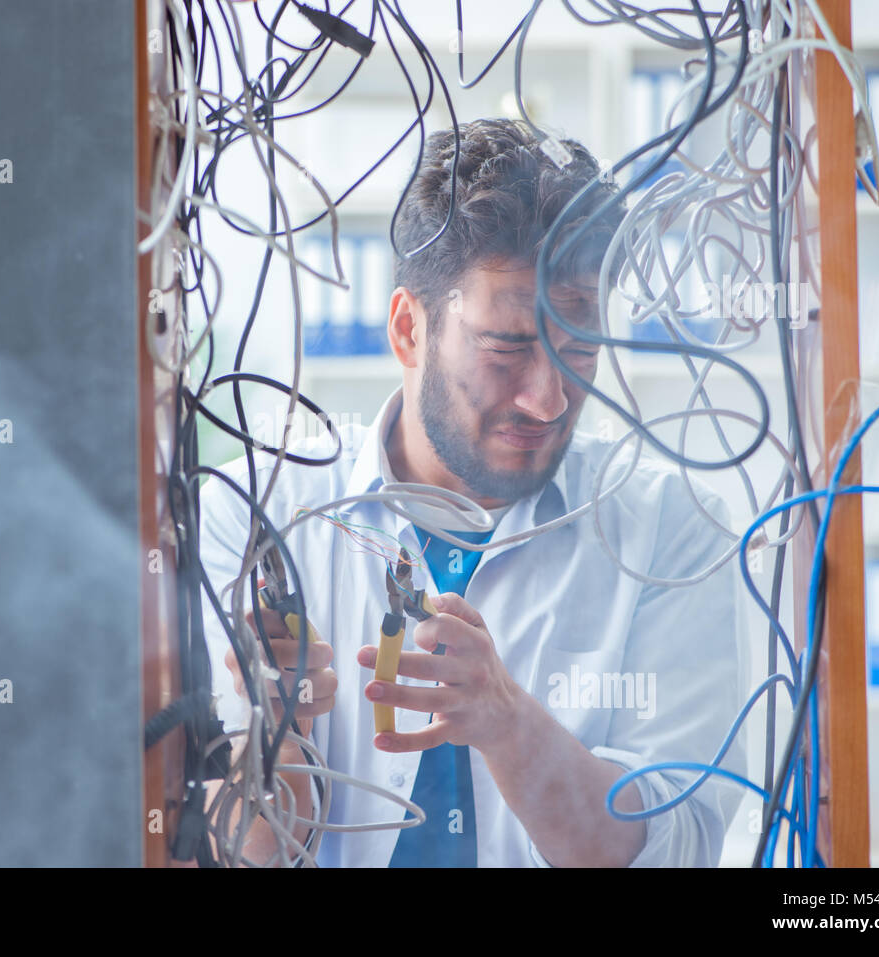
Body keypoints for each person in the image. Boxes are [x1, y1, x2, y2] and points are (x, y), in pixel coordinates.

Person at [199, 118, 746, 867]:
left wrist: (509, 724)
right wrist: (275, 729)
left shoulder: (672, 532)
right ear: (407, 330)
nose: (550, 399)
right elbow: (240, 852)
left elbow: (677, 852)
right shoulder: (256, 516)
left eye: (581, 351)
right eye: (508, 350)